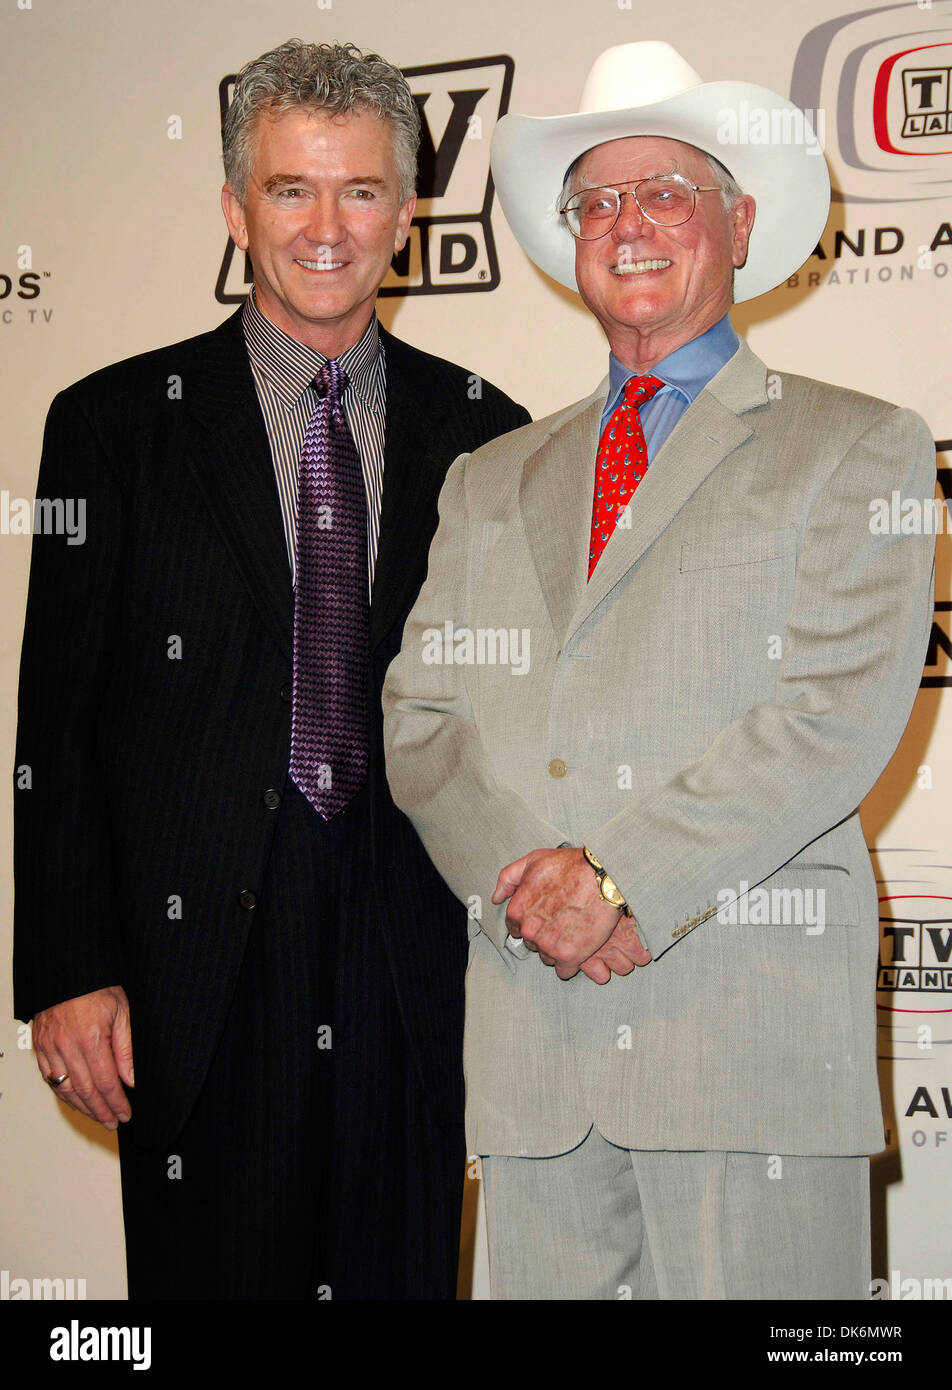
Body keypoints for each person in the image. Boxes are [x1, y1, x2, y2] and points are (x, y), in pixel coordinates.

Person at [382, 41, 936, 1300]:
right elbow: (420, 714)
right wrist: (541, 897)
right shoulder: (489, 475)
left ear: (739, 225)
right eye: (596, 201)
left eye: (665, 193)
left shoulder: (858, 445)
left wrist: (623, 880)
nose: (627, 226)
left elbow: (830, 719)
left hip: (745, 1038)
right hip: (535, 1045)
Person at [13, 38, 529, 1301]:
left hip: (410, 961)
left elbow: (510, 718)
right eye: (290, 189)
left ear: (406, 216)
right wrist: (65, 968)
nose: (324, 226)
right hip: (195, 975)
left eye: (359, 191)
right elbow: (56, 724)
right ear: (234, 208)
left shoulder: (488, 432)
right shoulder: (111, 425)